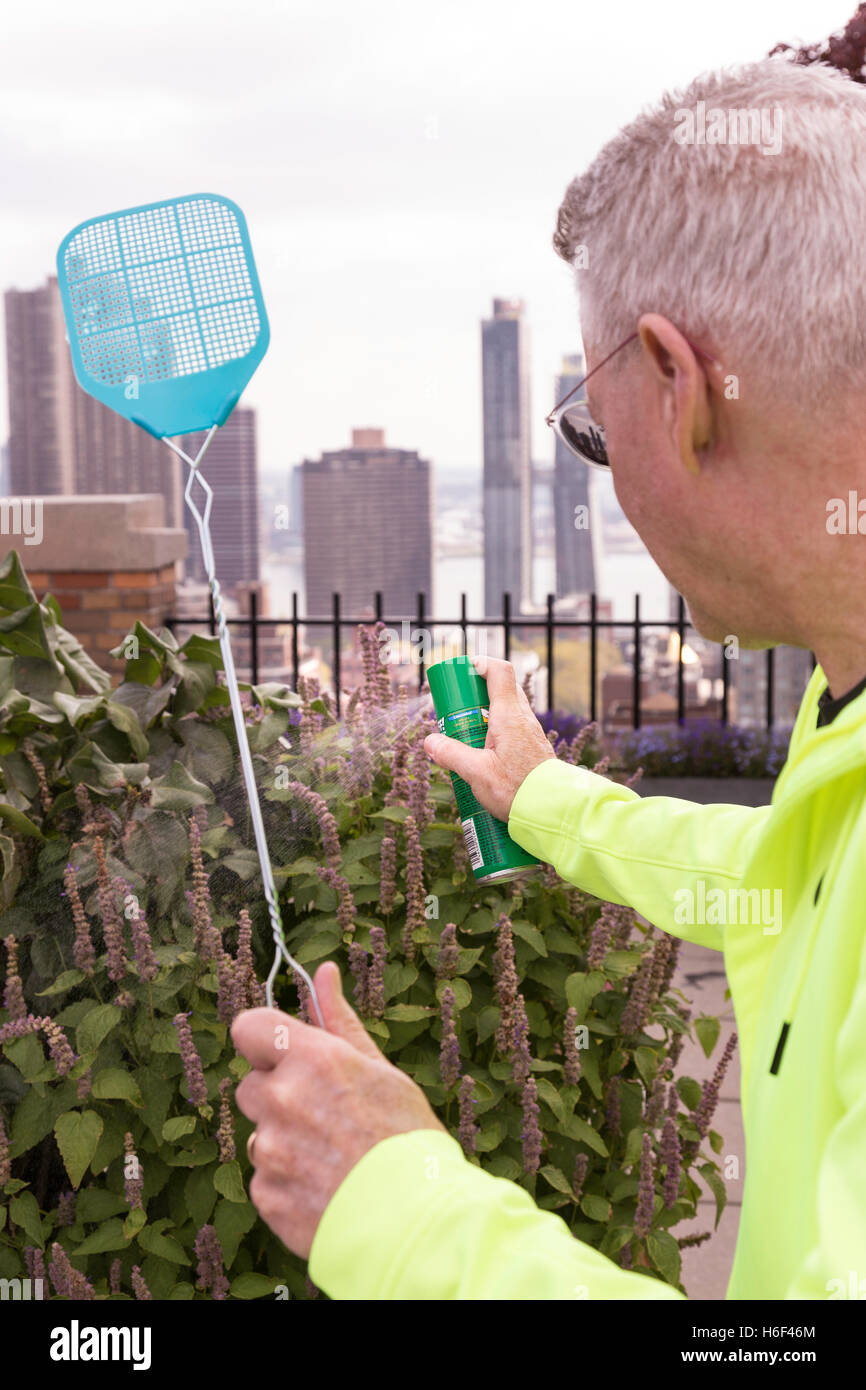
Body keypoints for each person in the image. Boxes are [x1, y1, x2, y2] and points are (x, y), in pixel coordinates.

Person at [232, 56, 866, 1299]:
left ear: (678, 388)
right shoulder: (839, 695)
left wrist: (393, 1201)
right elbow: (782, 886)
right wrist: (546, 800)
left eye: (590, 425)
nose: (604, 470)